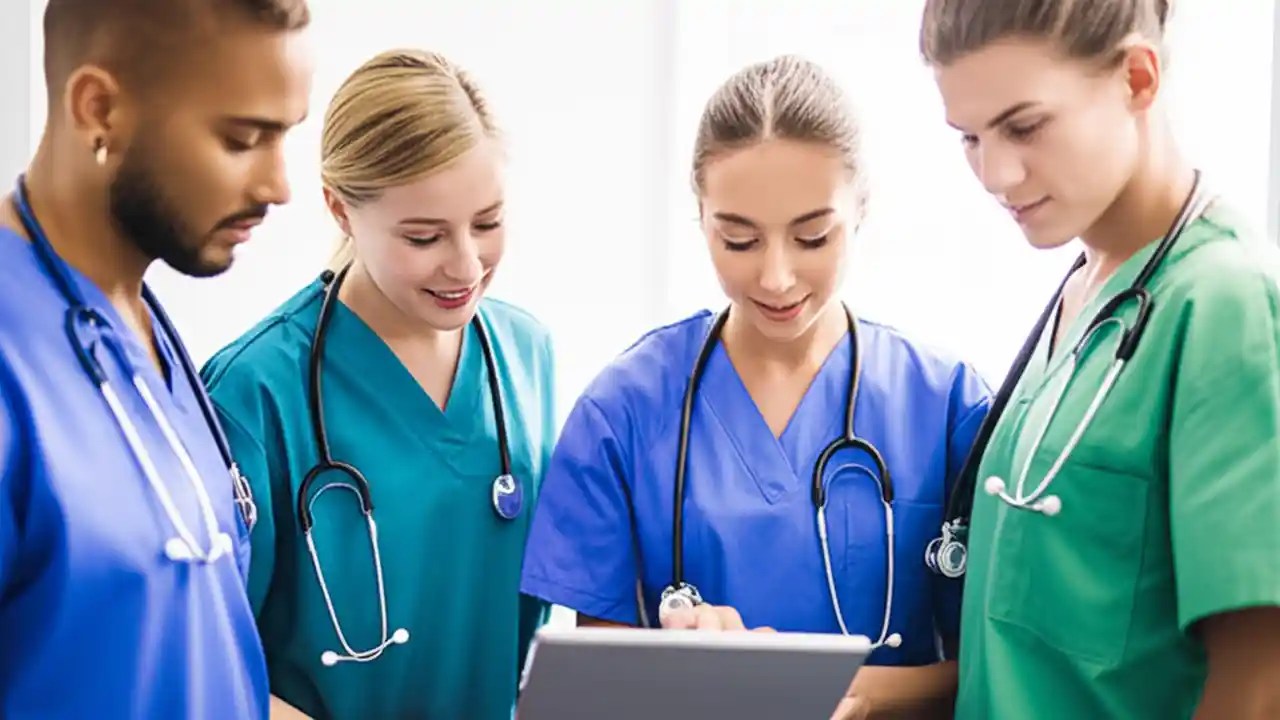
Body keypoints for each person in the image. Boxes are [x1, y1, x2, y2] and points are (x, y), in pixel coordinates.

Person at [519, 55, 991, 718]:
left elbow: (997, 662)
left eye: (812, 236)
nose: (776, 277)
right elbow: (605, 682)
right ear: (702, 217)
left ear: (861, 210)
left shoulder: (946, 406)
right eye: (738, 240)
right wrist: (700, 672)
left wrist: (847, 693)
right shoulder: (625, 410)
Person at [912, 0, 1280, 718]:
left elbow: (1260, 679)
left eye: (1024, 127)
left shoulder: (1225, 306)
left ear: (1138, 79)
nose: (994, 173)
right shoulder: (1087, 288)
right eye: (969, 138)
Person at [199, 49, 557, 720]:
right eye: (423, 237)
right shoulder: (253, 392)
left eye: (487, 223)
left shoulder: (525, 354)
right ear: (339, 208)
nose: (466, 265)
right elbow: (202, 660)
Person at [0, 1, 311, 718]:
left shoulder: (146, 334)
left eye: (284, 137)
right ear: (99, 109)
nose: (279, 186)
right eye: (242, 140)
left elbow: (189, 665)